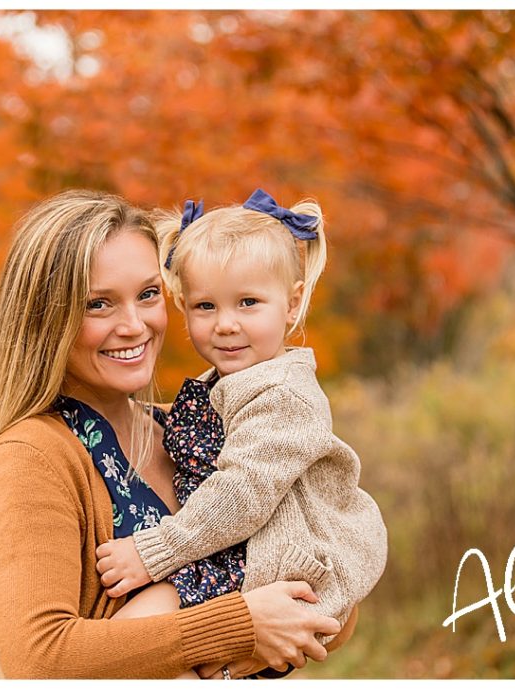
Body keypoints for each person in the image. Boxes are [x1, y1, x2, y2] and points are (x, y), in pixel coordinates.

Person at [0, 190, 354, 679]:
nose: (134, 325)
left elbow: (325, 603)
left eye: (147, 294)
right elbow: (38, 661)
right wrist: (238, 625)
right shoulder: (32, 455)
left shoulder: (194, 426)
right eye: (99, 304)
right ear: (46, 321)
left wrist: (301, 607)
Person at [93, 189, 388, 677]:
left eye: (248, 303)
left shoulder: (283, 395)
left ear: (291, 305)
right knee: (146, 653)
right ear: (184, 307)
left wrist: (152, 551)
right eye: (206, 306)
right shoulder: (224, 387)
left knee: (130, 643)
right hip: (230, 554)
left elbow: (243, 492)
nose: (226, 325)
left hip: (268, 563)